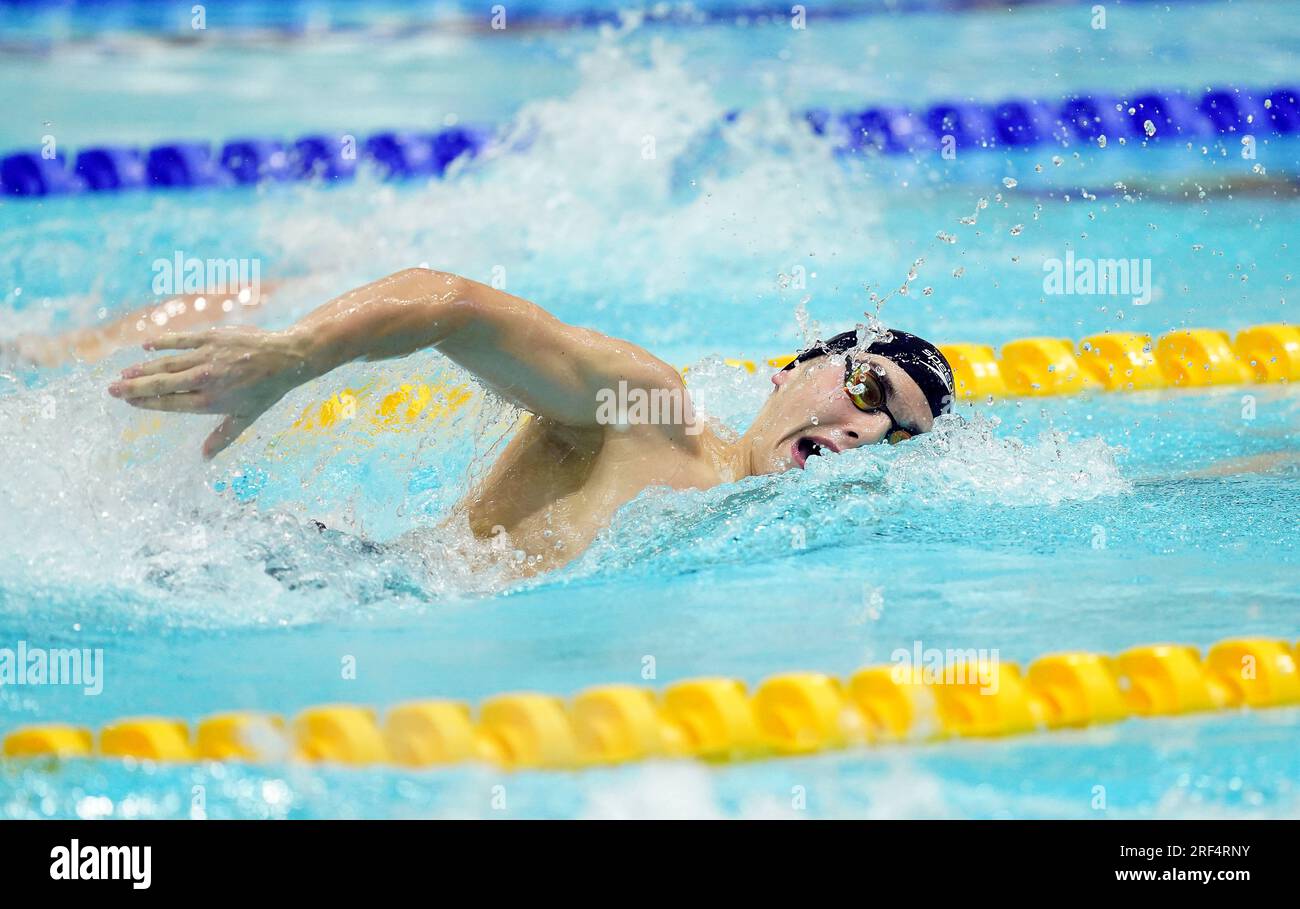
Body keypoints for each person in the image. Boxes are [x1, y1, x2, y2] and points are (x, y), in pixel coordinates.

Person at [85, 267, 952, 574]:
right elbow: (457, 305)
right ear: (790, 370)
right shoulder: (649, 415)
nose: (865, 434)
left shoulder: (782, 559)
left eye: (896, 436)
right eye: (869, 393)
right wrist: (294, 355)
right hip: (317, 578)